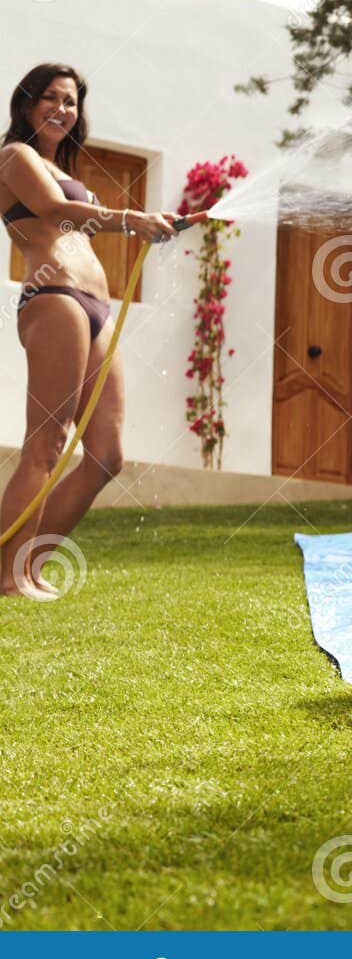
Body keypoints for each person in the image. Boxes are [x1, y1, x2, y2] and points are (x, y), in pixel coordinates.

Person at [0, 63, 204, 598]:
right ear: (26, 104)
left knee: (106, 456)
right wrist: (132, 219)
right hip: (55, 298)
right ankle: (7, 576)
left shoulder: (57, 165)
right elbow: (53, 211)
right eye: (50, 97)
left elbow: (79, 218)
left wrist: (150, 223)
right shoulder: (14, 156)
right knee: (47, 444)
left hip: (95, 306)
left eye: (70, 101)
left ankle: (28, 565)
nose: (62, 109)